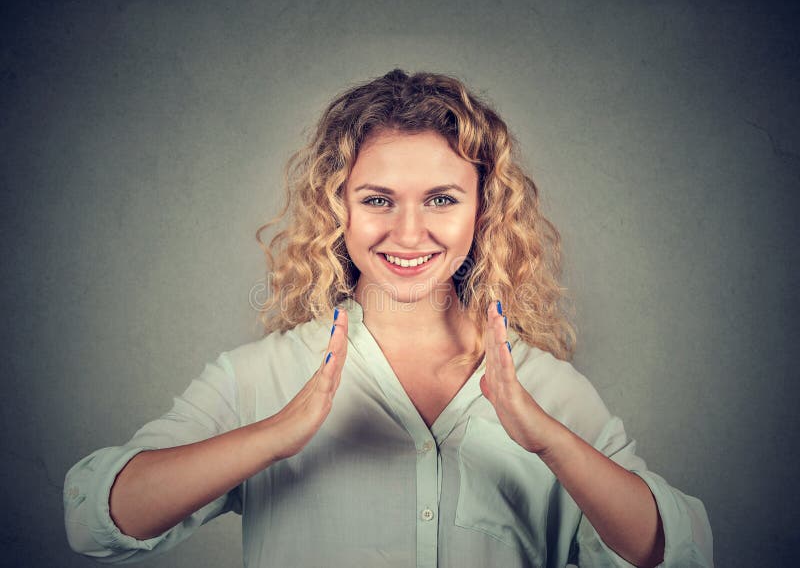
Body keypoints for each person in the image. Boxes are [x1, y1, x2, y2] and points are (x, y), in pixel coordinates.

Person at [63, 69, 713, 567]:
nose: (409, 233)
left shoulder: (550, 394)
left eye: (441, 199)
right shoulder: (262, 377)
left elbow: (678, 553)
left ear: (482, 212)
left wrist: (549, 441)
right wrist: (275, 436)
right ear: (336, 208)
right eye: (378, 199)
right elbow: (95, 519)